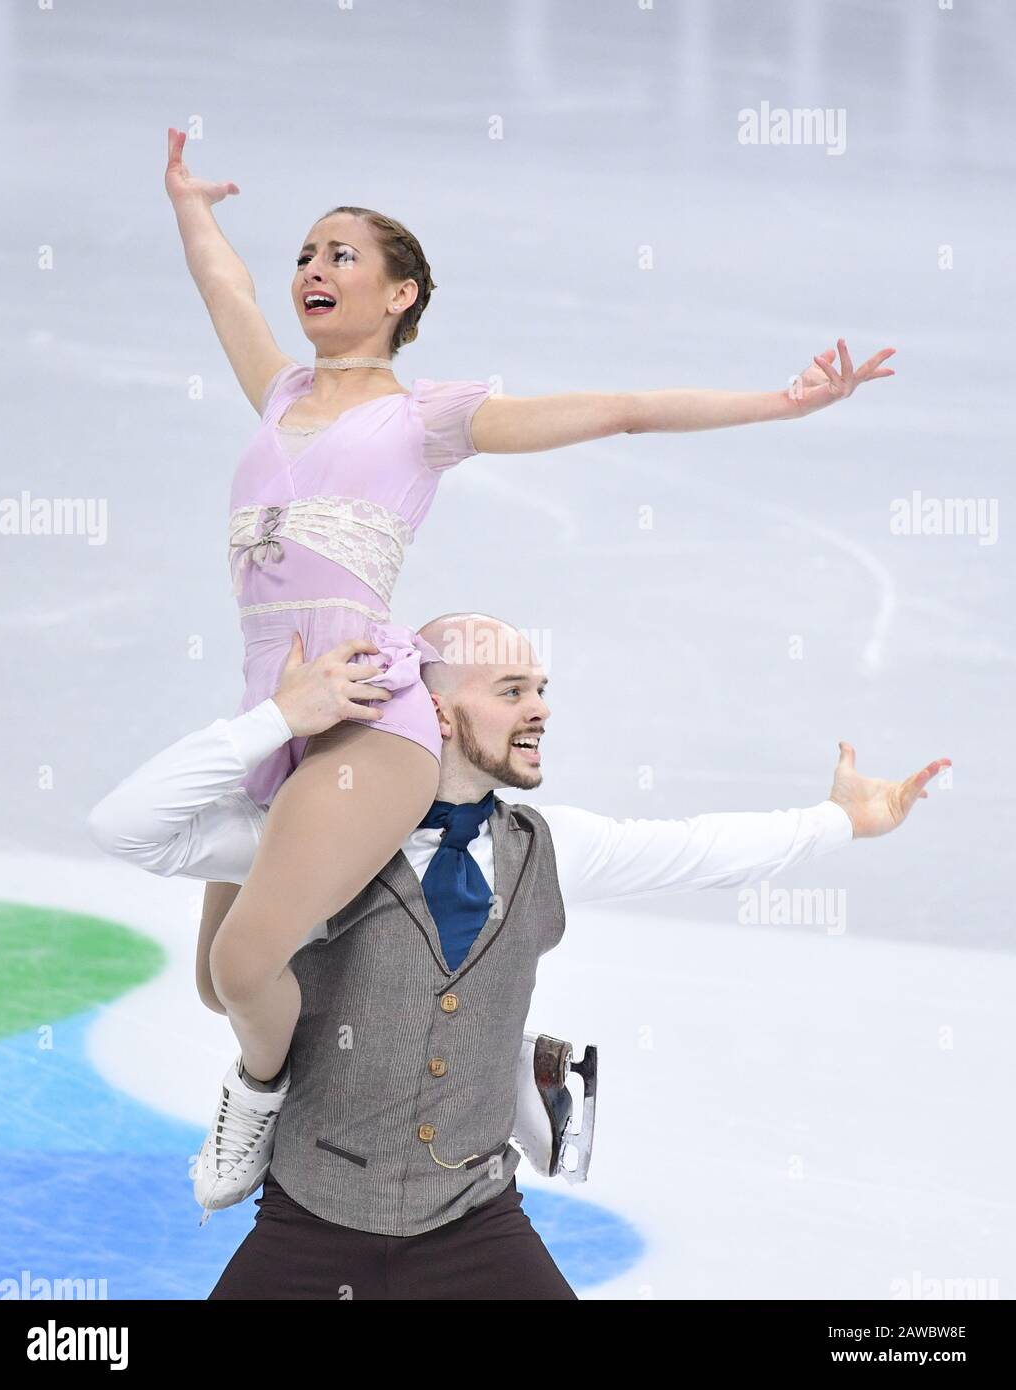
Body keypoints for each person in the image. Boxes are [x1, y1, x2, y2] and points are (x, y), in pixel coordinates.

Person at [160, 125, 898, 1156]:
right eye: (304, 255)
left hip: (365, 711)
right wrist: (191, 204)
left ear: (399, 294)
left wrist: (784, 402)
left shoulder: (425, 418)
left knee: (248, 968)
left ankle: (256, 1105)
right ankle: (497, 1060)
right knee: (220, 979)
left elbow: (620, 412)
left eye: (342, 255)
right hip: (270, 707)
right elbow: (224, 290)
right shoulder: (279, 391)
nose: (312, 269)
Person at [88, 613, 948, 1300]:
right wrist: (277, 721)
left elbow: (697, 848)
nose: (539, 707)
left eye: (540, 688)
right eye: (510, 690)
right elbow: (125, 826)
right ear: (435, 712)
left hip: (471, 1225)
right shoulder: (313, 842)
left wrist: (840, 821)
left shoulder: (547, 845)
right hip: (314, 1222)